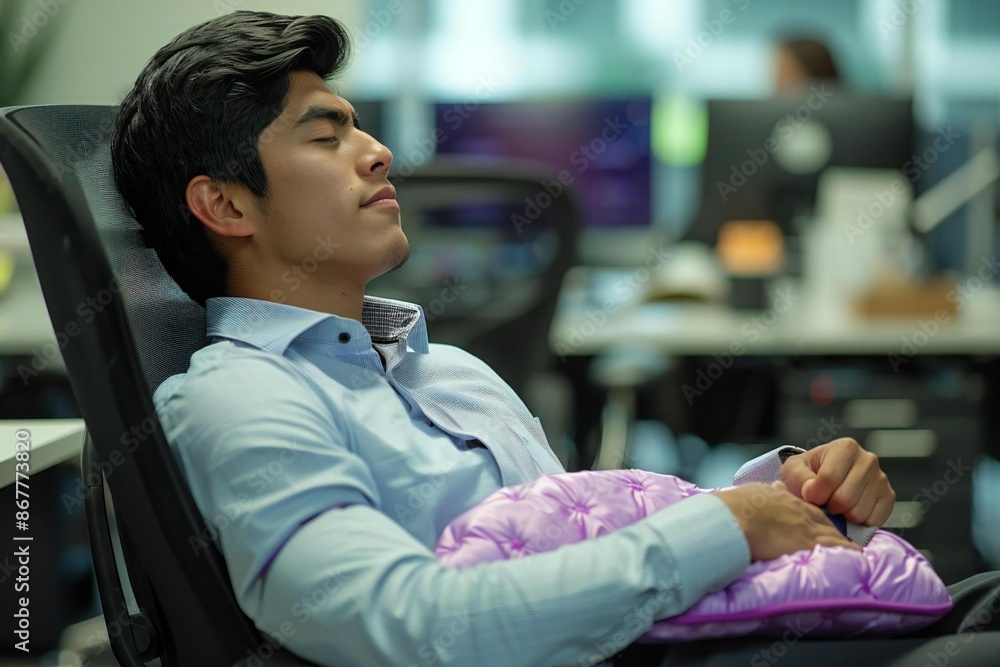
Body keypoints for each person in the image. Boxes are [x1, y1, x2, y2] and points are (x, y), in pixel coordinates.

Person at [110, 11, 997, 667]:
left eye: (359, 124)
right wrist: (729, 526)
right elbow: (401, 623)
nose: (377, 152)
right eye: (325, 135)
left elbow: (581, 543)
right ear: (224, 203)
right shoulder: (243, 394)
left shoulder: (448, 370)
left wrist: (783, 494)